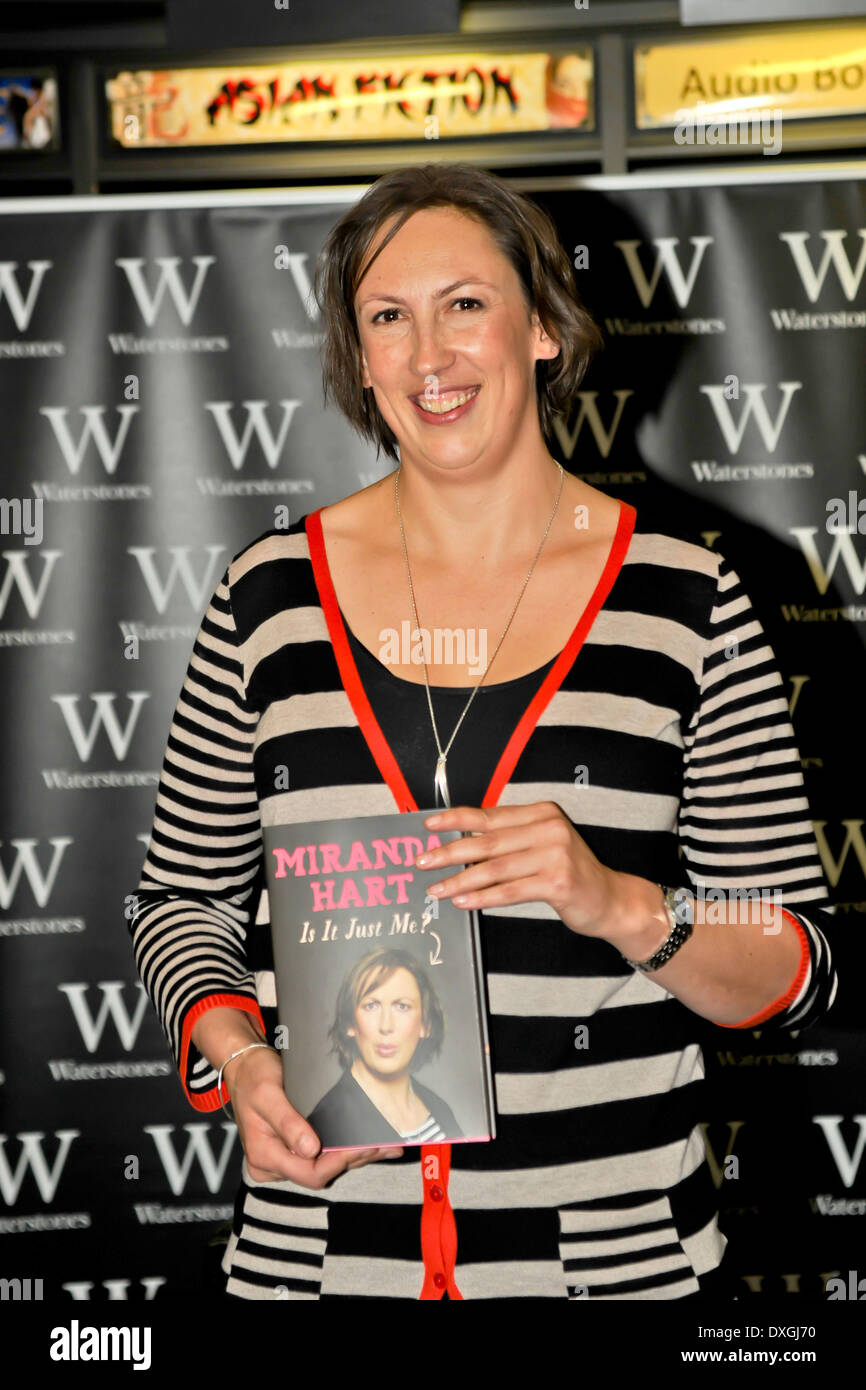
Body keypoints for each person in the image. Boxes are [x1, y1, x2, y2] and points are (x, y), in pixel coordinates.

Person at [128, 162, 837, 1301]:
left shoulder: (687, 598)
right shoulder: (265, 598)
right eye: (387, 318)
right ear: (359, 358)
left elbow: (792, 958)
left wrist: (616, 904)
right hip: (317, 1263)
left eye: (465, 304)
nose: (428, 356)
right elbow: (181, 906)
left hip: (612, 1270)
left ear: (544, 328)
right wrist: (239, 1051)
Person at [307, 947, 463, 1148]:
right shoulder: (324, 1126)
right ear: (350, 1024)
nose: (386, 1026)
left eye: (402, 1006)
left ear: (425, 1025)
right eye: (371, 1006)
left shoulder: (440, 1110)